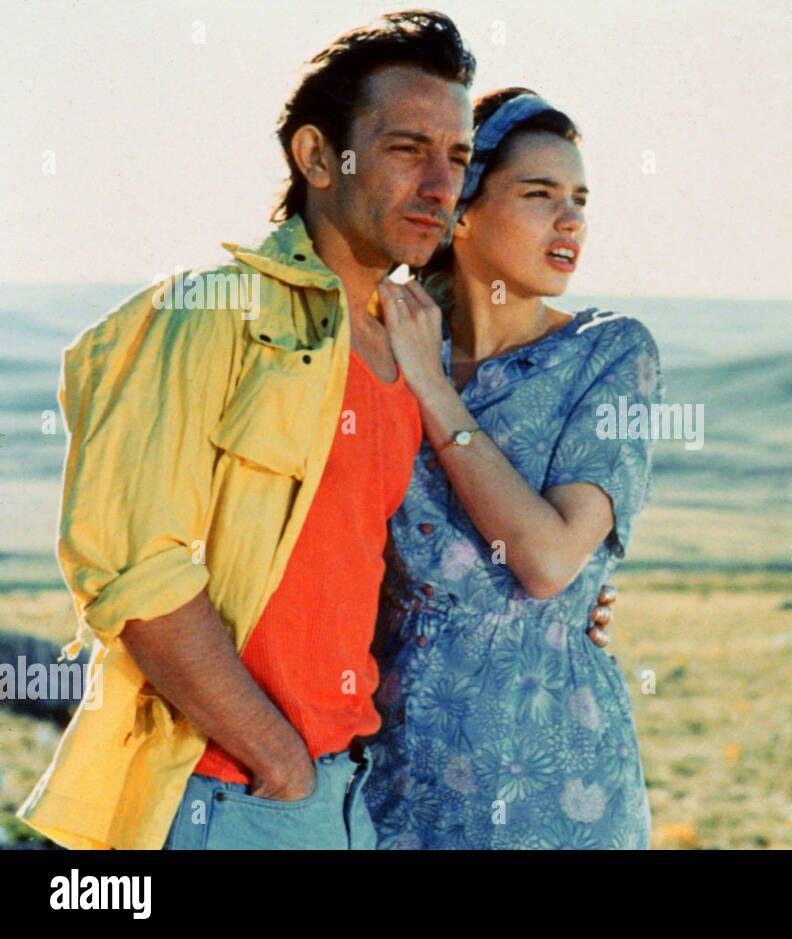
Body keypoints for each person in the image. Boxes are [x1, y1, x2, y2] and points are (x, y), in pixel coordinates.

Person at [18, 11, 617, 851]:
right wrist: (277, 759)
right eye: (408, 148)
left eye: (458, 158)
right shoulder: (210, 313)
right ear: (314, 157)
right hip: (219, 793)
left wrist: (564, 610)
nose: (442, 186)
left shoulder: (410, 352)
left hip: (351, 796)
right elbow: (131, 563)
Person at [363, 88, 662, 849]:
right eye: (540, 195)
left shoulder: (610, 353)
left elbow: (551, 559)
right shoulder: (378, 341)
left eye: (580, 201)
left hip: (554, 783)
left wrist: (431, 388)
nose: (571, 222)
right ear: (462, 209)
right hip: (387, 771)